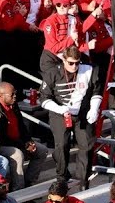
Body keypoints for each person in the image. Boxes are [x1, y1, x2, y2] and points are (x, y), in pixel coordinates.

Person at [40, 46, 101, 186]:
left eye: (77, 63)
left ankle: (83, 178)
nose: (74, 66)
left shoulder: (88, 70)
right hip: (59, 113)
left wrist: (94, 109)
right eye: (71, 63)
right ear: (64, 60)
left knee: (86, 144)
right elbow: (43, 99)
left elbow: (96, 91)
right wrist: (60, 109)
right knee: (62, 145)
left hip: (82, 112)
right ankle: (61, 176)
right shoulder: (52, 73)